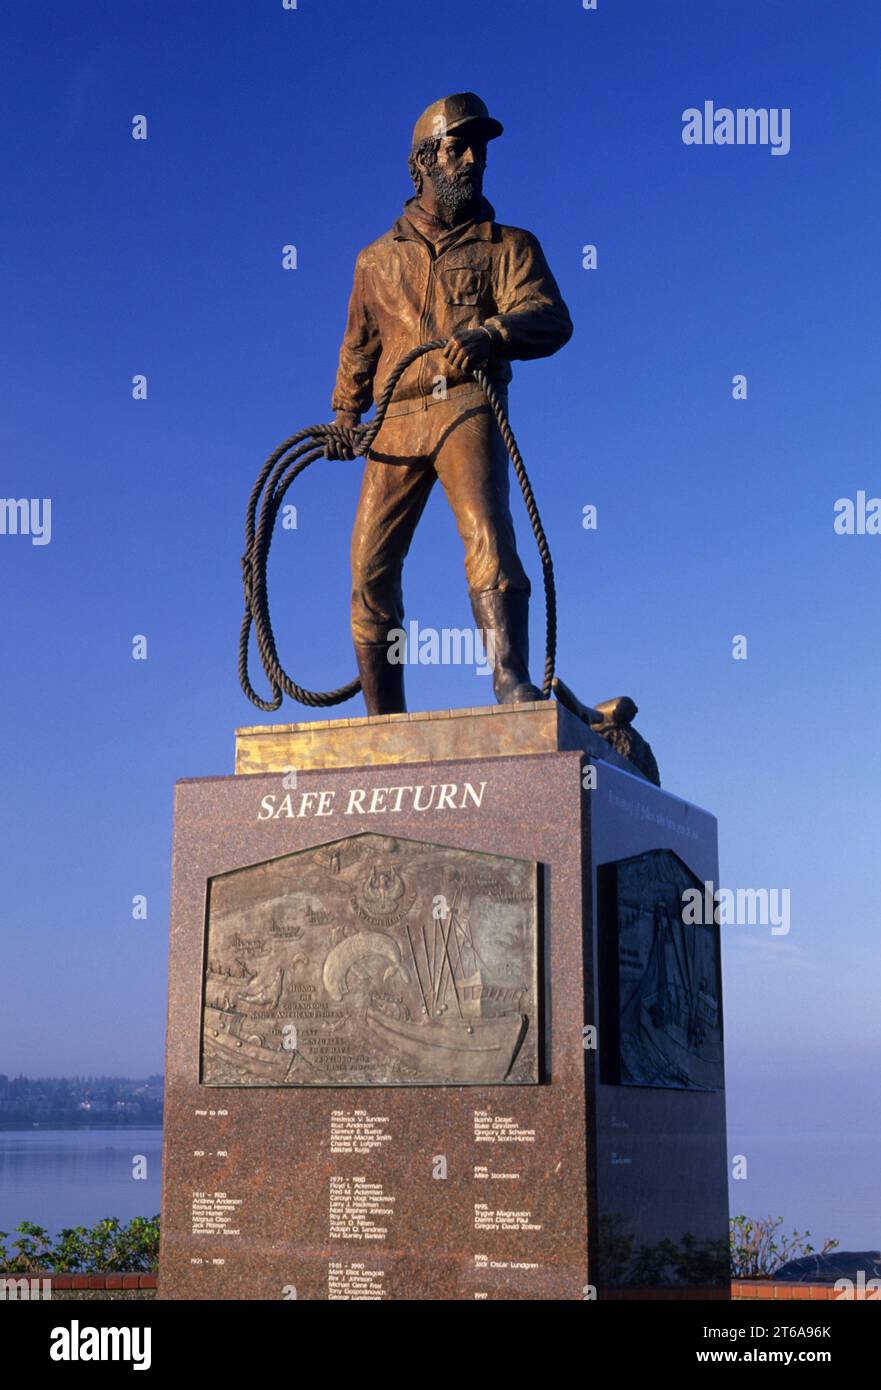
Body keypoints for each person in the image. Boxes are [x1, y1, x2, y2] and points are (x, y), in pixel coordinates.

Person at [329, 92, 573, 714]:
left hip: (467, 404)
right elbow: (358, 347)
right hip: (394, 423)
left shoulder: (508, 245)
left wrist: (493, 334)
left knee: (488, 538)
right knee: (368, 571)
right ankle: (384, 720)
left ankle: (509, 682)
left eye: (479, 149)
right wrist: (343, 417)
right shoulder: (375, 261)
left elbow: (550, 317)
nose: (473, 160)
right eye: (457, 147)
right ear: (423, 161)